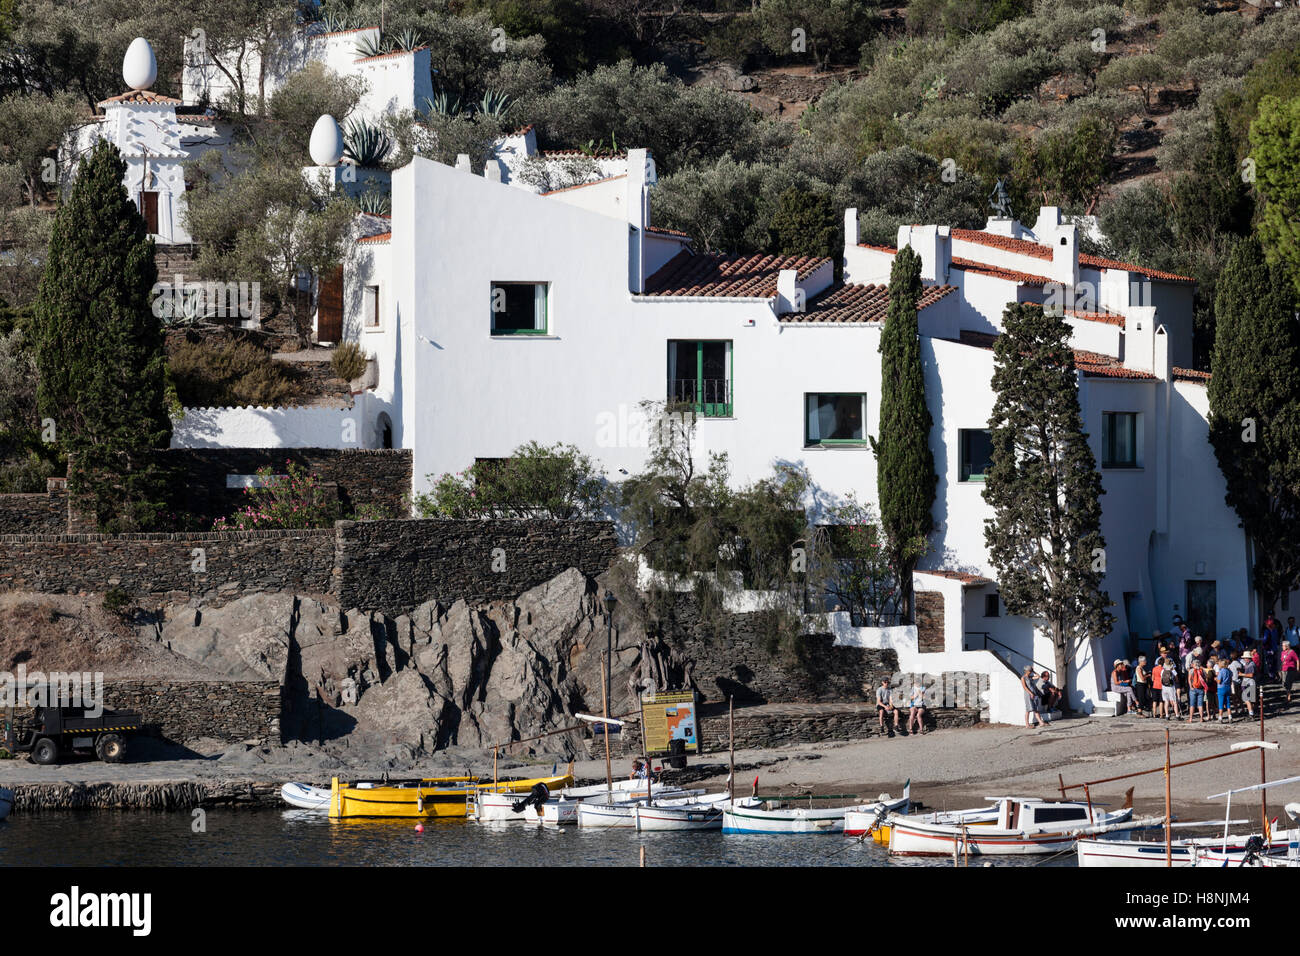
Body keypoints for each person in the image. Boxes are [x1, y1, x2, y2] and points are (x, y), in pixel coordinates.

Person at [1187, 655, 1208, 723]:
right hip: (1201, 689)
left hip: (1193, 689)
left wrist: (1190, 686)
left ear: (1193, 664)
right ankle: (1201, 718)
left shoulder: (1191, 671)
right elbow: (1205, 679)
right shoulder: (1202, 671)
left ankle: (1190, 719)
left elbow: (1189, 679)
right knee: (1200, 705)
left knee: (1192, 704)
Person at [1216, 658, 1234, 723]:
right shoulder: (1229, 671)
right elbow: (1231, 679)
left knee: (1221, 703)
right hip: (1228, 687)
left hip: (1221, 688)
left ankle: (1220, 718)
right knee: (1228, 703)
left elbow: (1219, 681)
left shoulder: (1221, 671)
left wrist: (1215, 679)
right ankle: (1230, 717)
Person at [1241, 652, 1258, 719]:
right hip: (1249, 683)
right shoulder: (1248, 664)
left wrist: (1241, 674)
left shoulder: (1251, 664)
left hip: (1249, 683)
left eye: (1245, 658)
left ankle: (1251, 713)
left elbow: (1251, 675)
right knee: (1251, 699)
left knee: (1247, 699)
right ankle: (1252, 712)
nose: (1244, 659)